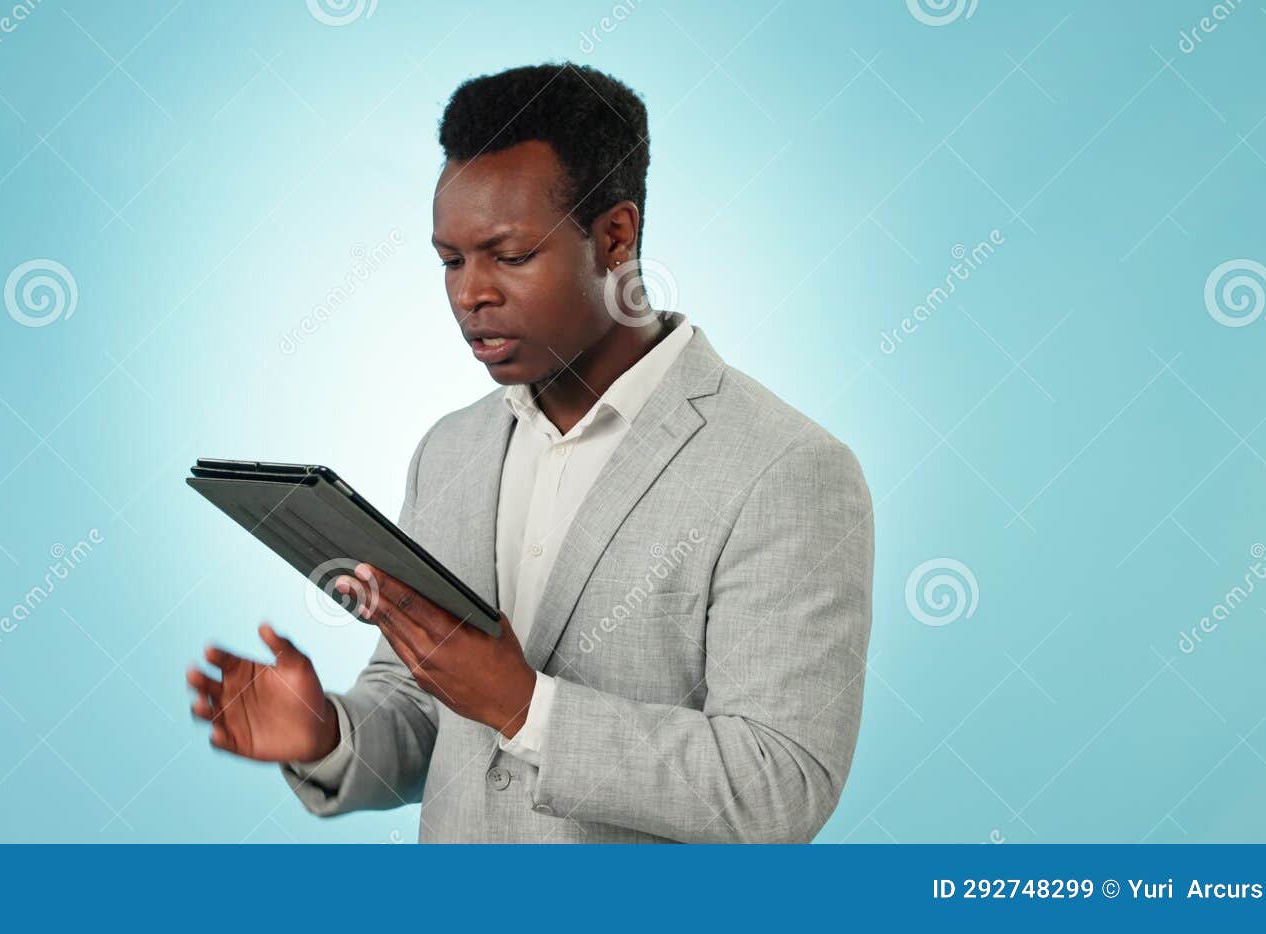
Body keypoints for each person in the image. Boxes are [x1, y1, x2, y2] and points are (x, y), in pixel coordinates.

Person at [185, 62, 874, 843]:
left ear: (615, 237)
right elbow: (425, 711)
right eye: (450, 260)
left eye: (508, 256)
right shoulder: (450, 450)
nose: (470, 293)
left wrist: (525, 706)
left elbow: (778, 787)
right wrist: (331, 735)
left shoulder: (786, 471)